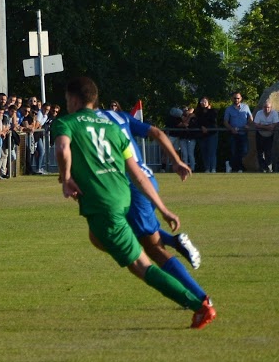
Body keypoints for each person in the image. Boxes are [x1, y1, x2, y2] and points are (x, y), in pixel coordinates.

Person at [51, 76, 214, 329]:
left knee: (142, 262)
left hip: (106, 204)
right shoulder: (113, 126)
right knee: (98, 237)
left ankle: (199, 305)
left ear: (73, 100)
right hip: (124, 196)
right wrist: (163, 209)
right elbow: (137, 174)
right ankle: (171, 244)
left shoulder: (65, 122)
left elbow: (63, 149)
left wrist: (67, 177)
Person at [97, 105, 209, 301]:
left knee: (153, 248)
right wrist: (176, 161)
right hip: (147, 180)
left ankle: (201, 299)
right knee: (130, 233)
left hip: (133, 186)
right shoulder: (119, 116)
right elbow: (157, 132)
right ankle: (176, 242)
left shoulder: (85, 124)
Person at [223, 92, 252, 172]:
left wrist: (248, 125)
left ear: (241, 98)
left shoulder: (246, 107)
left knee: (244, 151)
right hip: (233, 133)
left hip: (243, 133)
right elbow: (225, 122)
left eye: (238, 98)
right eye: (235, 98)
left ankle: (231, 164)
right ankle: (239, 168)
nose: (236, 100)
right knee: (234, 151)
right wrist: (231, 129)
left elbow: (250, 118)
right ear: (232, 99)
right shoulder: (228, 109)